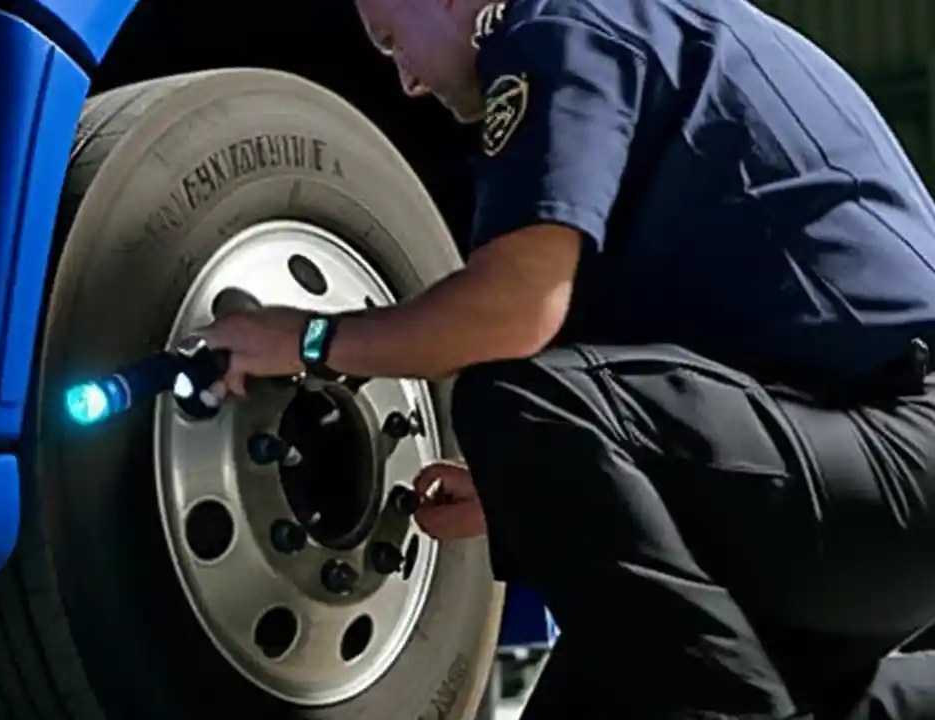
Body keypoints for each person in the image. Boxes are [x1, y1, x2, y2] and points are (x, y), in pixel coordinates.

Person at [197, 0, 935, 717]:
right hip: (857, 481)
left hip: (895, 447)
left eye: (393, 43)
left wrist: (308, 340)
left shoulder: (561, 24)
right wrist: (543, 482)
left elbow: (516, 310)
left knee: (519, 397)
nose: (407, 81)